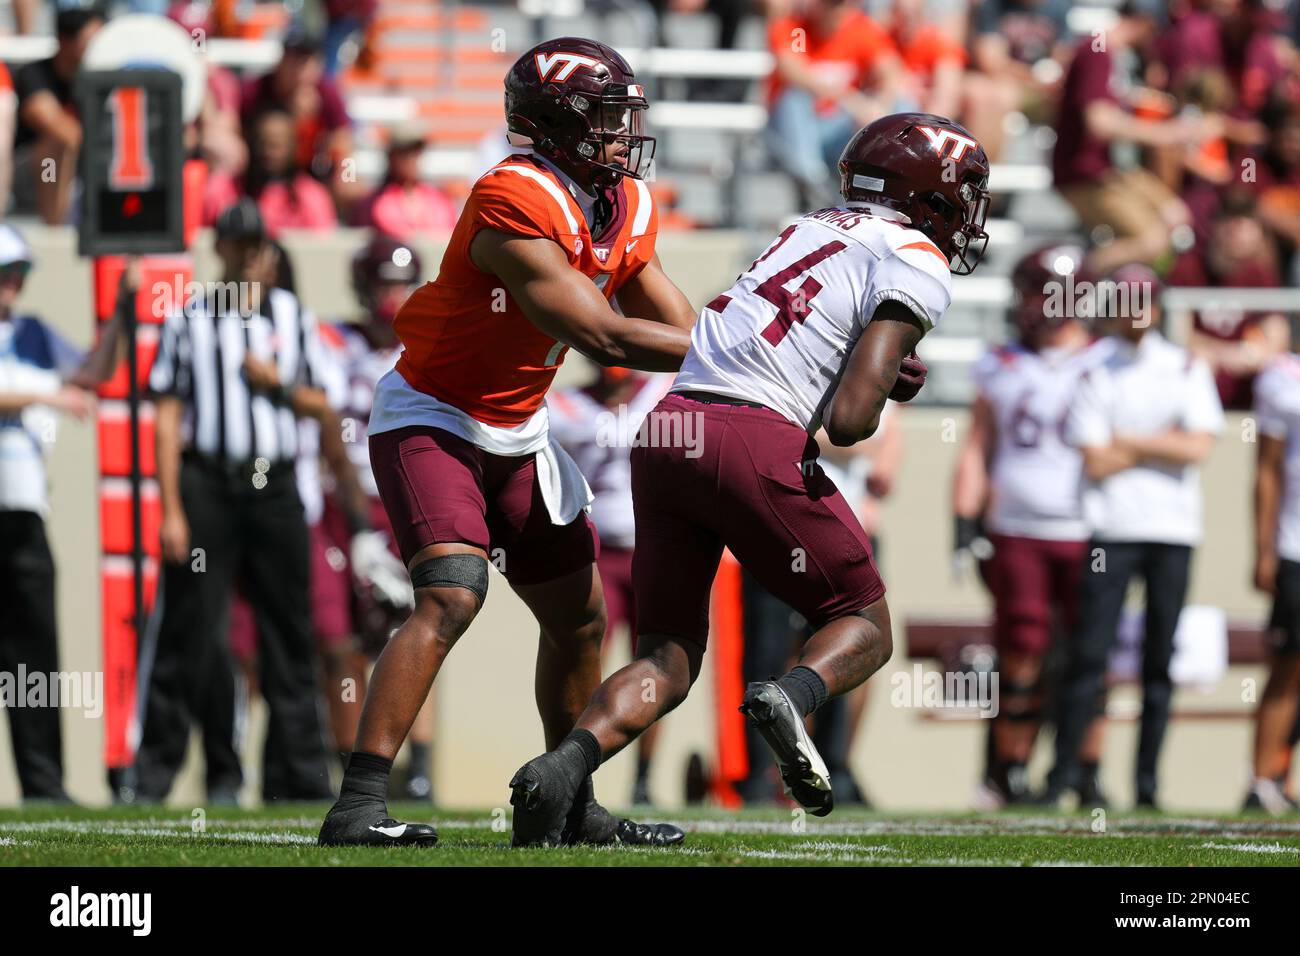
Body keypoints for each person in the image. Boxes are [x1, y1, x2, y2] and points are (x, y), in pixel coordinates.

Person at [508, 112, 990, 844]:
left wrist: (866, 361)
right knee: (863, 621)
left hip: (669, 426)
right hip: (751, 434)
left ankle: (562, 767)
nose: (967, 216)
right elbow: (853, 422)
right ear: (930, 196)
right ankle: (793, 697)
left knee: (666, 655)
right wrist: (879, 373)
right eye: (963, 196)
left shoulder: (807, 227)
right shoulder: (913, 251)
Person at [317, 38, 697, 848]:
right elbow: (599, 333)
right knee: (453, 593)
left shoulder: (622, 201)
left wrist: (787, 362)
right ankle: (358, 803)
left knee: (581, 617)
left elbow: (682, 324)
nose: (623, 133)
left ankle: (568, 803)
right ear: (555, 124)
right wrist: (752, 354)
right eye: (605, 117)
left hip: (518, 427)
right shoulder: (512, 196)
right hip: (435, 413)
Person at [134, 200, 334, 802]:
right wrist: (170, 507)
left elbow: (322, 403)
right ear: (221, 249)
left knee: (288, 632)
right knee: (195, 629)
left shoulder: (292, 316)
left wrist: (278, 384)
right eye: (236, 245)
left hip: (272, 485)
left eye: (255, 246)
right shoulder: (189, 318)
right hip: (209, 485)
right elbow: (166, 418)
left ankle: (295, 777)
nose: (247, 257)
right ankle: (180, 772)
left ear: (266, 252)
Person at [1045, 264, 1224, 809]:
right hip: (1113, 531)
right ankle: (1063, 780)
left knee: (1158, 663)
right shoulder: (1094, 368)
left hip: (1172, 531)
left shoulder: (1186, 365)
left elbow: (1198, 446)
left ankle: (1147, 787)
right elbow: (1095, 459)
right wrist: (1161, 442)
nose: (1137, 307)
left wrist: (1131, 442)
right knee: (1089, 656)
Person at [953, 241, 1113, 807]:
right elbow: (977, 446)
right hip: (1016, 526)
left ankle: (1084, 766)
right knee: (1021, 648)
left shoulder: (1105, 359)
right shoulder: (999, 361)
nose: (1034, 304)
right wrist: (963, 521)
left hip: (1091, 527)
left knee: (1092, 652)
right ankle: (1008, 768)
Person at [0, 223, 125, 801]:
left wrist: (122, 317)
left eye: (17, 275)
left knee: (31, 658)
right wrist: (47, 396)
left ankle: (43, 783)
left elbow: (94, 373)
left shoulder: (33, 334)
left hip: (21, 510)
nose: (11, 288)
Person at [548, 367, 673, 805]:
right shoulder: (564, 406)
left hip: (657, 550)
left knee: (655, 667)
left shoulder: (664, 391)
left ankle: (643, 780)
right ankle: (572, 775)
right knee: (582, 659)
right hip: (597, 553)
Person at [1051, 1, 1212, 278]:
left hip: (1110, 172)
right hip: (1084, 175)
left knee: (1177, 216)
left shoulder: (1109, 54)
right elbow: (1099, 122)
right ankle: (1068, 284)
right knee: (1152, 242)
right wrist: (1166, 133)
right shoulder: (1097, 49)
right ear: (1146, 23)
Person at [764, 0, 907, 206]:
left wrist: (878, 106)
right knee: (794, 99)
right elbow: (792, 72)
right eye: (829, 3)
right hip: (789, 132)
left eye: (840, 3)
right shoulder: (797, 28)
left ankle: (897, 187)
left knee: (900, 105)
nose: (835, 9)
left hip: (834, 129)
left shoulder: (859, 28)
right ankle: (813, 182)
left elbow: (892, 73)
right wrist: (850, 99)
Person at [1247, 348, 1300, 813]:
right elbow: (1267, 468)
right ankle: (1263, 778)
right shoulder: (1284, 378)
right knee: (1289, 664)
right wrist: (1264, 548)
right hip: (1296, 542)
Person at [12, 2, 105, 224]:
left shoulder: (100, 76)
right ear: (65, 41)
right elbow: (55, 126)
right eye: (90, 40)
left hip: (83, 170)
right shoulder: (35, 73)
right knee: (54, 146)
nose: (99, 47)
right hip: (33, 173)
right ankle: (54, 224)